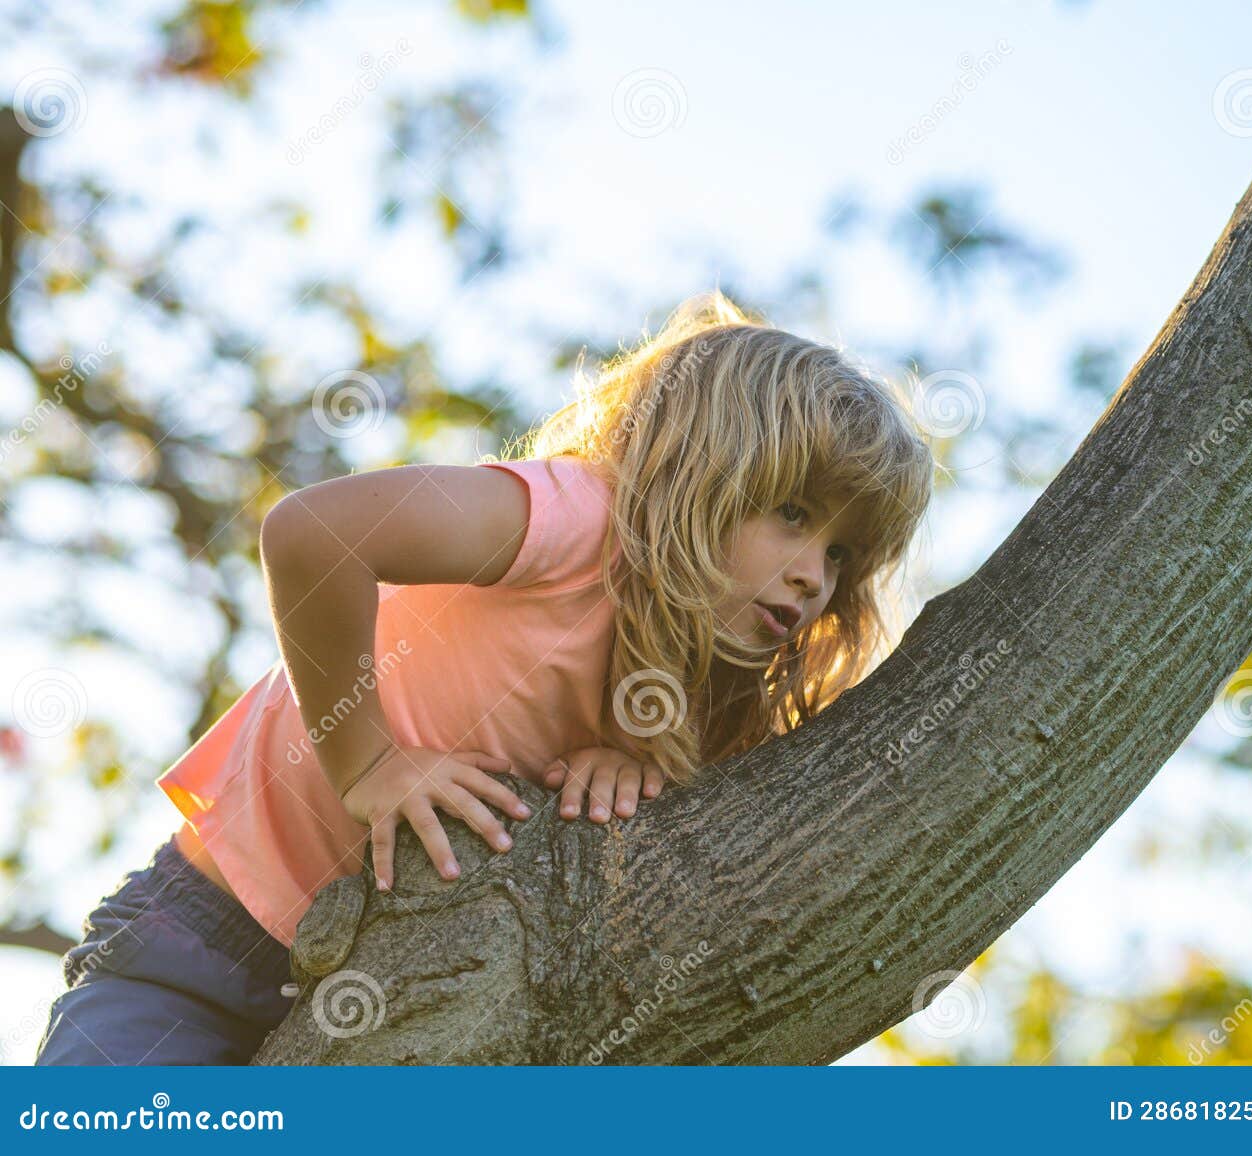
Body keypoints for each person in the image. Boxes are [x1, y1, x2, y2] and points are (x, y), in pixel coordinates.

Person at [34, 290, 935, 1064]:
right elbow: (313, 535)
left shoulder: (712, 683)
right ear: (708, 471)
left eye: (840, 551)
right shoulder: (578, 518)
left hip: (414, 1006)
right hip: (201, 943)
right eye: (792, 513)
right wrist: (370, 762)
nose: (814, 573)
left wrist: (637, 781)